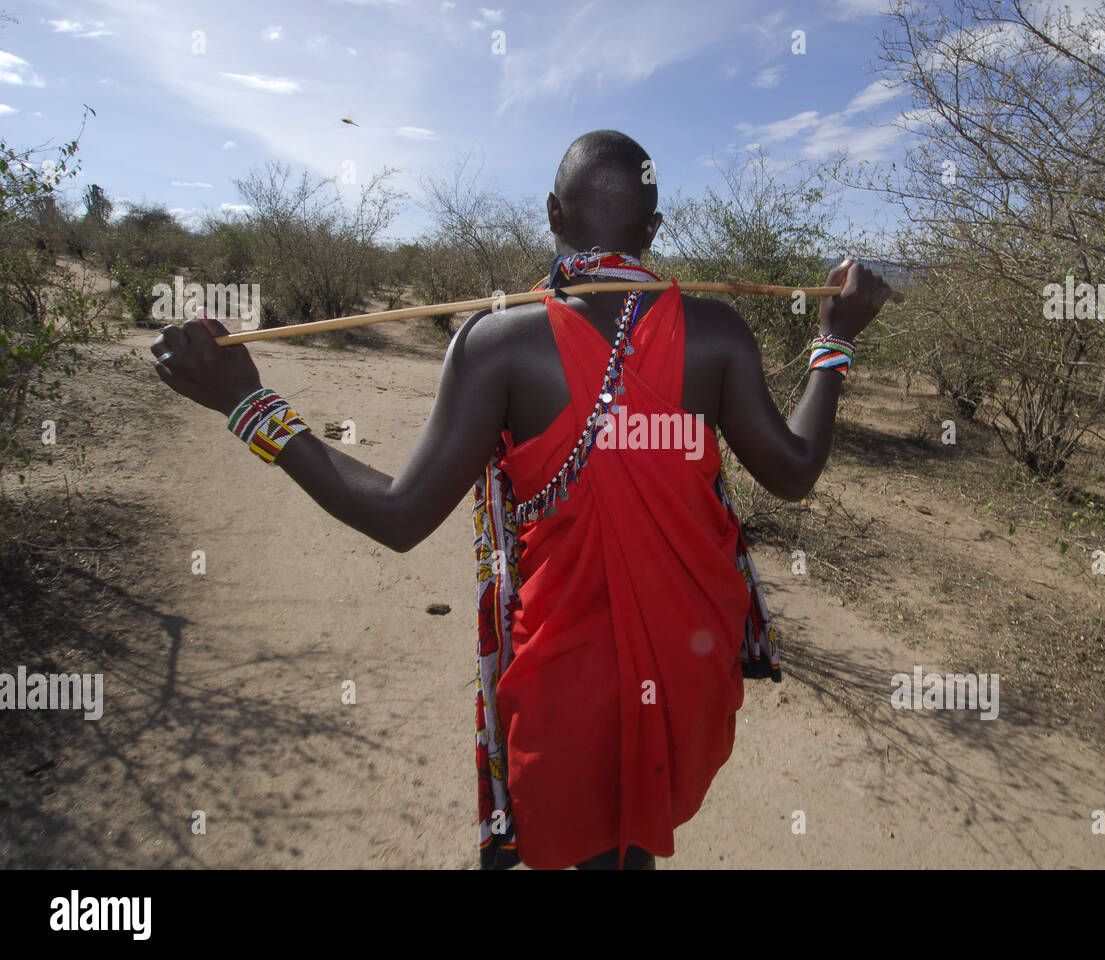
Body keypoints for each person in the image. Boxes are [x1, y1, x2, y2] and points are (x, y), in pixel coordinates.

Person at [151, 130, 895, 870]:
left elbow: (399, 515)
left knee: (591, 830)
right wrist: (836, 341)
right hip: (686, 655)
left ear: (552, 214)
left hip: (564, 671)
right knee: (631, 835)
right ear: (655, 230)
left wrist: (247, 404)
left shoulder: (496, 342)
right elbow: (795, 471)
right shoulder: (718, 333)